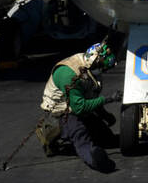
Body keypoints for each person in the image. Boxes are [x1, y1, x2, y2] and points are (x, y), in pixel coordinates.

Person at [38, 42, 119, 173]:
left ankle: (97, 142)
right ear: (96, 59)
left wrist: (105, 115)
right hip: (63, 112)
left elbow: (91, 96)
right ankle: (95, 160)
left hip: (78, 106)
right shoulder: (70, 75)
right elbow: (79, 108)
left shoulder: (90, 68)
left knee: (108, 139)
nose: (106, 69)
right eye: (104, 65)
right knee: (80, 135)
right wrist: (109, 99)